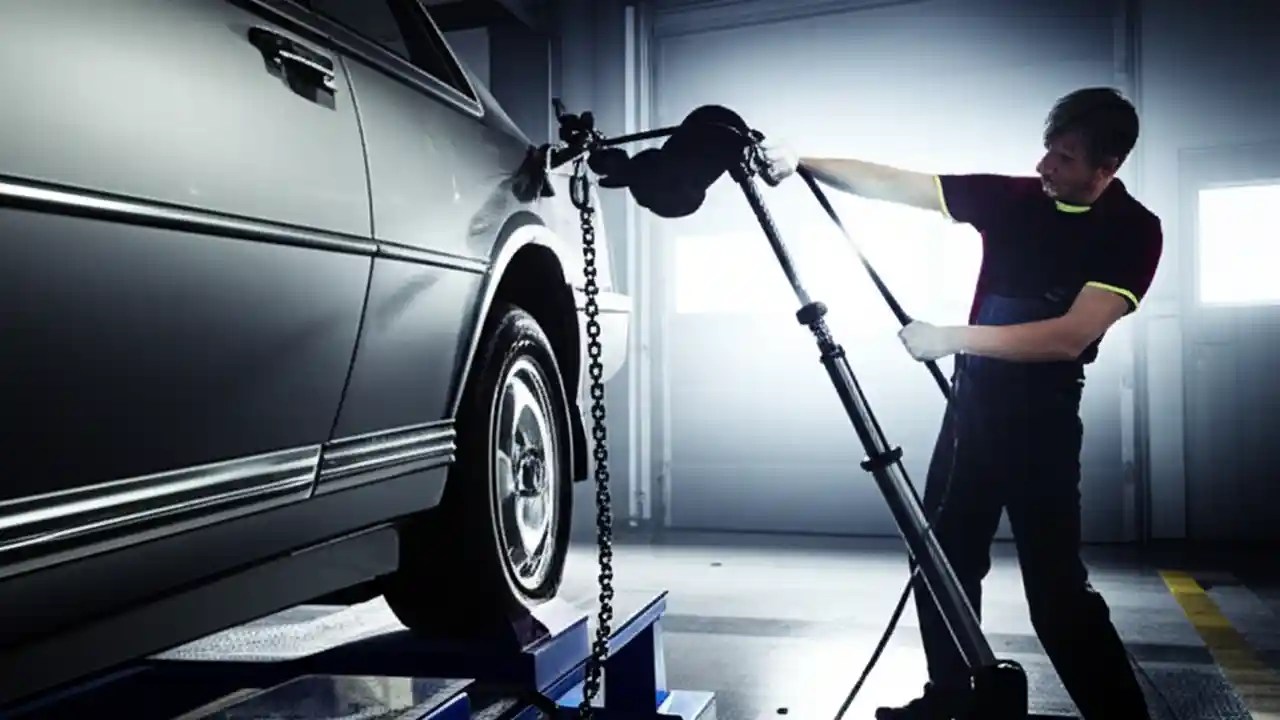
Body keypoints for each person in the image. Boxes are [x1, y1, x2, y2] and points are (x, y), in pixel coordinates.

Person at [759, 87, 1162, 720]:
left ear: (1105, 168)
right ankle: (950, 700)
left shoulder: (1134, 232)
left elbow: (1068, 337)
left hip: (1043, 422)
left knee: (1056, 594)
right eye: (1046, 150)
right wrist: (801, 162)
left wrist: (950, 338)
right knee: (942, 561)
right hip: (973, 410)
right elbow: (900, 184)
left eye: (1062, 158)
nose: (1044, 167)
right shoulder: (1014, 201)